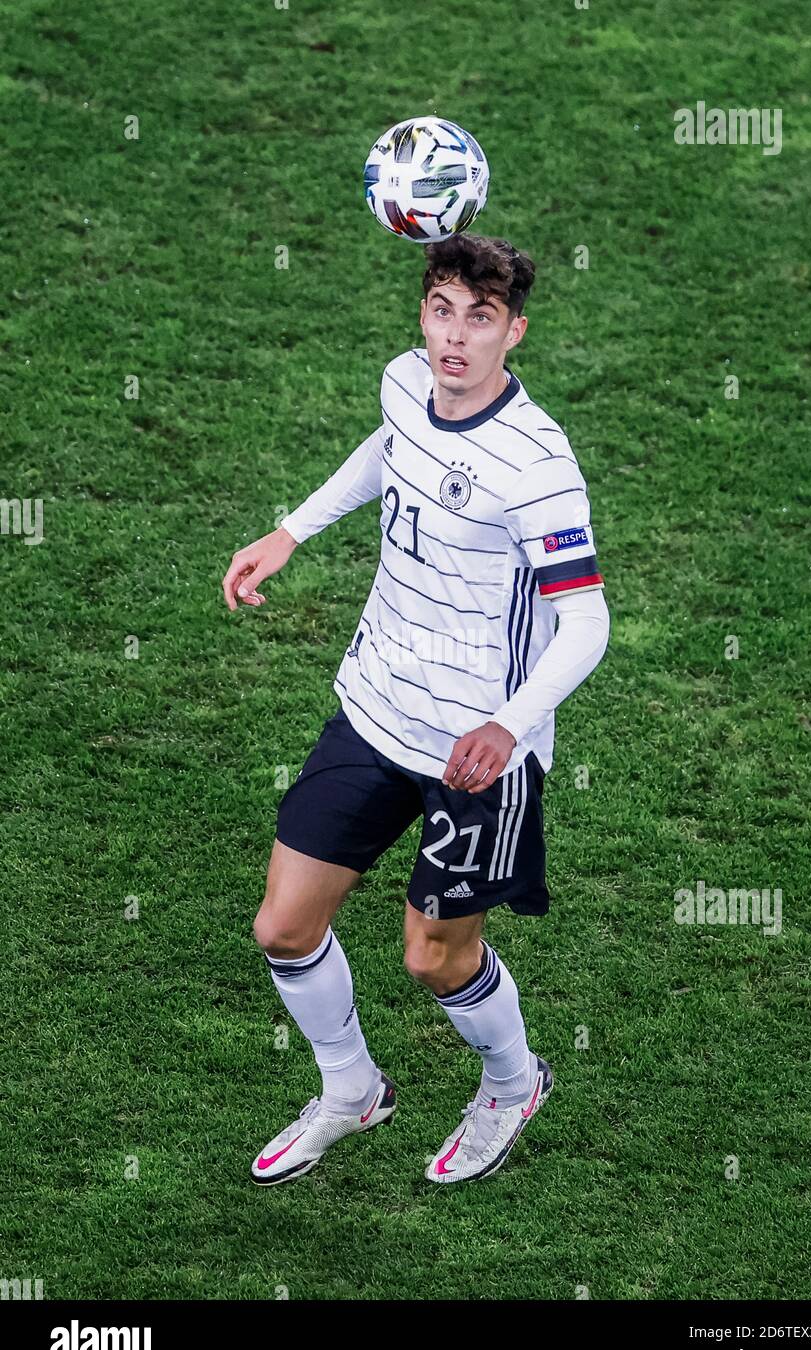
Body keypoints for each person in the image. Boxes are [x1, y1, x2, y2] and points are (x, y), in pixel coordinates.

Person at [222, 233, 609, 1185]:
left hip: (476, 752)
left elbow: (586, 620)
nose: (455, 337)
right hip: (376, 705)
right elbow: (390, 445)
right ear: (422, 313)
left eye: (480, 319)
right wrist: (293, 528)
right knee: (282, 927)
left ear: (512, 332)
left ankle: (513, 1082)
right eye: (442, 309)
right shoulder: (404, 380)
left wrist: (508, 725)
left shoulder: (537, 463)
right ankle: (350, 1088)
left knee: (432, 958)